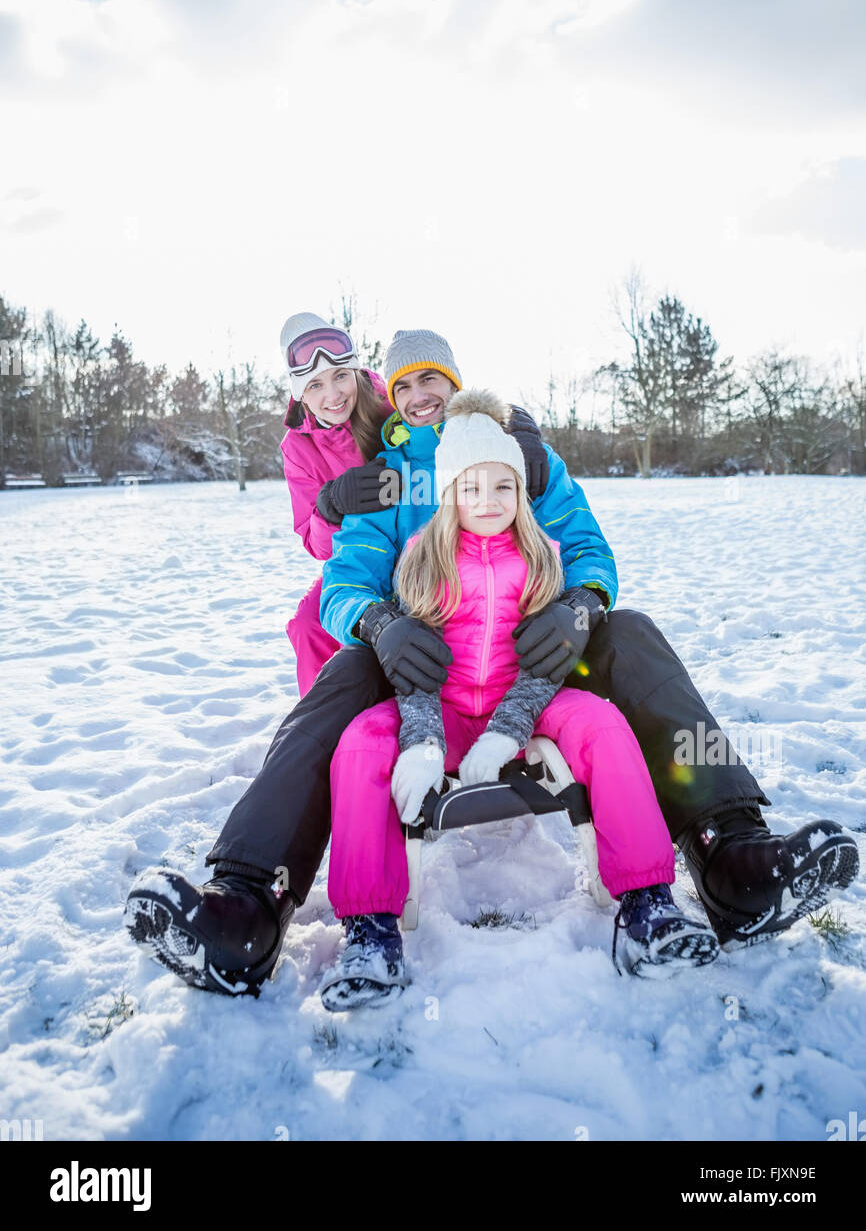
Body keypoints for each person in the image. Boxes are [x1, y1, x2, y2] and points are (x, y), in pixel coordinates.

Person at [125, 328, 858, 996]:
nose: (421, 396)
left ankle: (730, 852)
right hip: (421, 664)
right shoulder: (389, 476)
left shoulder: (523, 460)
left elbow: (585, 544)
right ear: (393, 398)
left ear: (457, 385)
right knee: (342, 680)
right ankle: (249, 900)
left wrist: (583, 605)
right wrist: (377, 622)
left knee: (631, 632)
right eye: (405, 385)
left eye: (433, 381)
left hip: (538, 653)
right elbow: (344, 580)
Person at [320, 391, 720, 1010]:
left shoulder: (541, 562)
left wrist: (509, 731)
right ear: (450, 492)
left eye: (503, 487)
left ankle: (648, 906)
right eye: (471, 487)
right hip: (445, 709)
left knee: (604, 725)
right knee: (361, 743)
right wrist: (423, 741)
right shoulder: (420, 565)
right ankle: (371, 932)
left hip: (525, 706)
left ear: (521, 491)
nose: (487, 501)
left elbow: (543, 669)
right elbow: (414, 670)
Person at [278, 312, 392, 696]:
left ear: (356, 372)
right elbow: (317, 545)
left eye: (340, 376)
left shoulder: (391, 404)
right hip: (356, 560)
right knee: (309, 624)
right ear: (299, 393)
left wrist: (509, 425)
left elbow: (443, 407)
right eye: (315, 385)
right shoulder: (298, 448)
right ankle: (321, 722)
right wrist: (330, 508)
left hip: (418, 546)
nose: (333, 395)